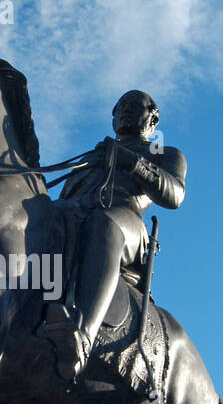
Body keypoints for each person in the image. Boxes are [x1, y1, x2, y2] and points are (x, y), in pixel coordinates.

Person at [42, 89, 186, 381]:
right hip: (74, 219)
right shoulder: (92, 157)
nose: (125, 110)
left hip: (125, 223)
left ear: (152, 117)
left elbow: (174, 194)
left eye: (135, 105)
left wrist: (132, 162)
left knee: (104, 224)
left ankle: (83, 337)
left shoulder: (162, 153)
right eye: (121, 106)